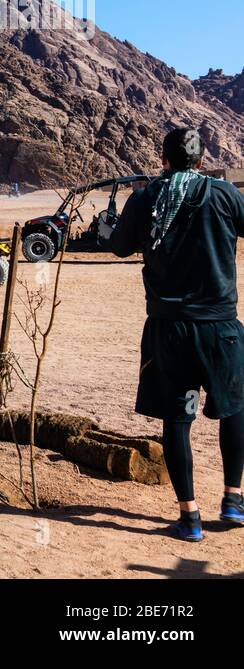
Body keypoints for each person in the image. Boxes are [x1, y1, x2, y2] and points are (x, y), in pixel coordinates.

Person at [111, 127, 244, 541]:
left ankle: (189, 516)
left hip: (168, 328)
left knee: (177, 418)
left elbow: (118, 246)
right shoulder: (224, 195)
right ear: (202, 160)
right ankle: (234, 499)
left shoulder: (147, 197)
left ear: (163, 159)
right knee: (235, 408)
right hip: (220, 327)